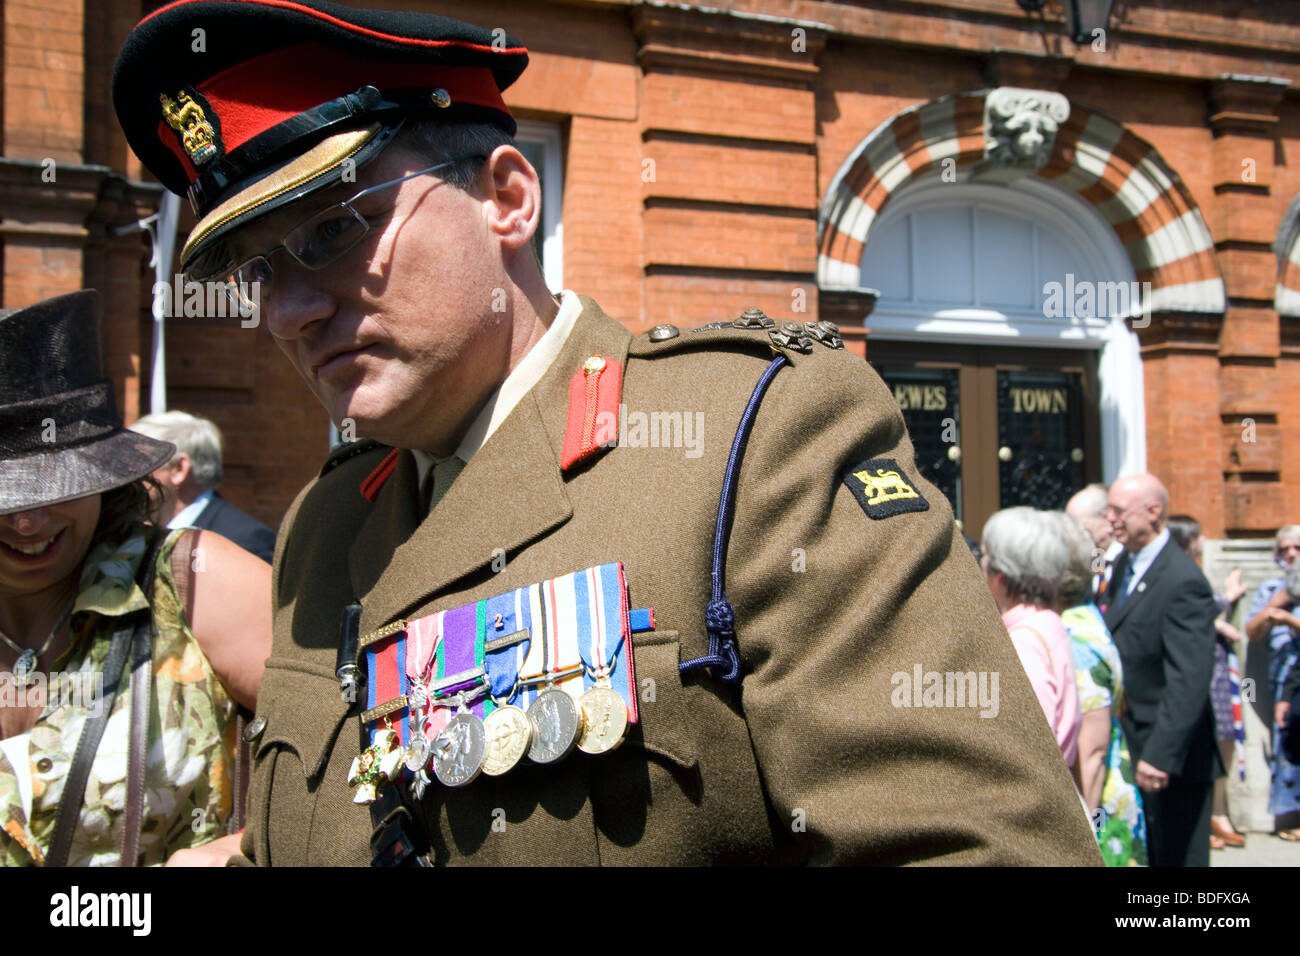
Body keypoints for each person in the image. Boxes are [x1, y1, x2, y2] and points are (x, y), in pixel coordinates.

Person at [111, 0, 1102, 866]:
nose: (289, 311)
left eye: (331, 232)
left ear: (505, 197)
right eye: (260, 270)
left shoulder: (751, 444)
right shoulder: (324, 526)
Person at [0, 291, 271, 866]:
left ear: (102, 473)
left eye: (56, 486)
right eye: (5, 497)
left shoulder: (191, 581)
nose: (27, 520)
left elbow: (366, 739)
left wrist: (239, 853)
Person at [1103, 474, 1220, 866]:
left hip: (1169, 757)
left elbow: (1189, 678)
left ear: (1153, 513)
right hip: (1133, 741)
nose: (1110, 519)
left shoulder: (1183, 581)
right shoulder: (1123, 564)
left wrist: (1161, 755)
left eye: (1119, 511)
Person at [1054, 511, 1147, 865]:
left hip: (1099, 818)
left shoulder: (1074, 638)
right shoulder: (1084, 614)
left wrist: (1083, 846)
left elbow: (1090, 756)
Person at [1166, 513, 1248, 850]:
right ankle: (1211, 818)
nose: (1203, 542)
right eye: (1198, 537)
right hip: (1198, 671)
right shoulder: (1175, 571)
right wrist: (1223, 607)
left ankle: (1217, 813)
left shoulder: (1191, 569)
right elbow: (1190, 610)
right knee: (1206, 736)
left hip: (1216, 668)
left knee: (1225, 735)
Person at [980, 507, 1082, 769]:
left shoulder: (1023, 642)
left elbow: (1033, 747)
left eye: (985, 555)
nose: (981, 563)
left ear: (1000, 579)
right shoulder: (1048, 622)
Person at [130, 411, 277, 563]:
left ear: (178, 468)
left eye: (138, 462)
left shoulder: (244, 540)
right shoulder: (135, 533)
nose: (127, 474)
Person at [1244, 525, 1300, 841]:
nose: (1291, 554)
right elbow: (1252, 632)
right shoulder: (1271, 589)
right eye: (1284, 549)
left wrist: (1290, 618)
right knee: (1287, 744)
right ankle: (1289, 816)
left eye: (1297, 548)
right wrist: (1273, 607)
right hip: (1284, 677)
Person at [1067, 483, 1121, 607]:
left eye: (1079, 526)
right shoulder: (1095, 557)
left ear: (1107, 519)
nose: (1073, 534)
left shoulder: (1128, 560)